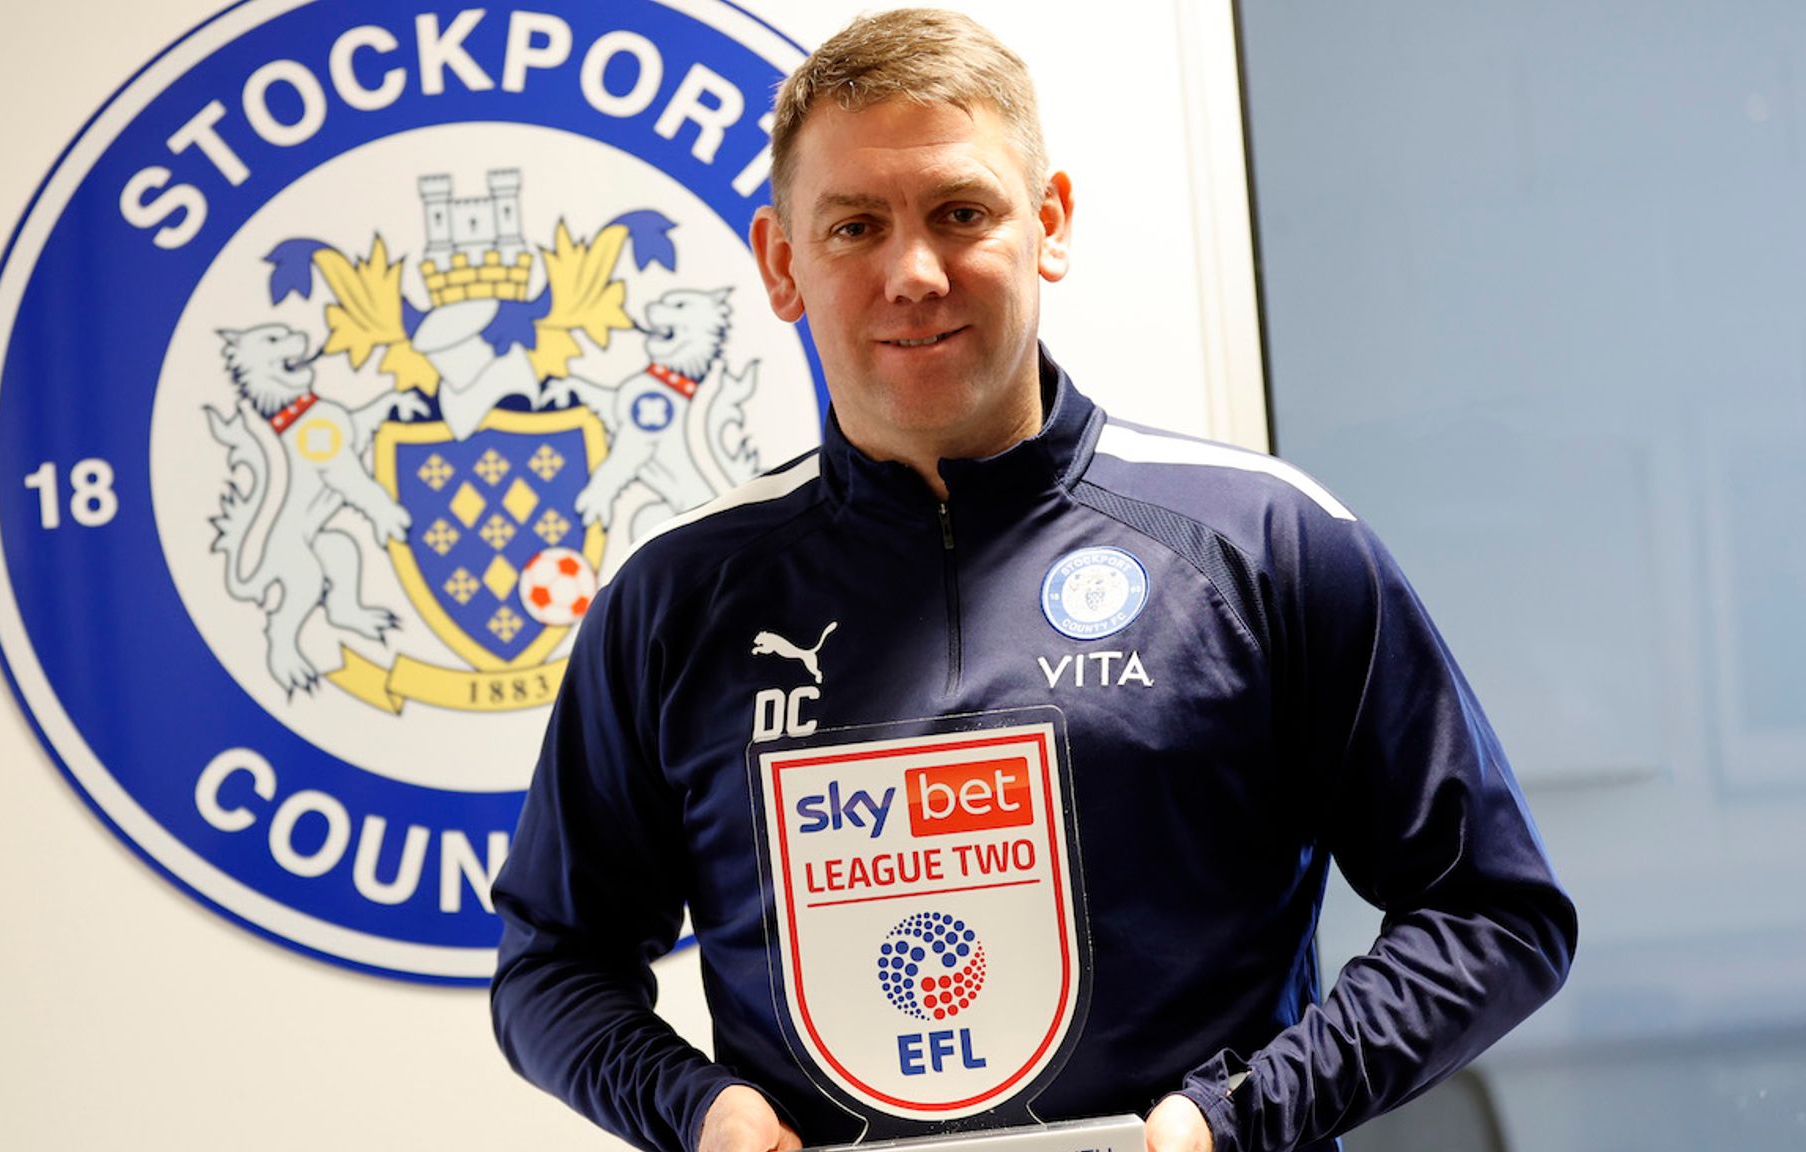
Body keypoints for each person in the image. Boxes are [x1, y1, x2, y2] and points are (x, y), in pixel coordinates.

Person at [489, 9, 1577, 1152]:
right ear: (780, 262)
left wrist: (1241, 1118)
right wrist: (702, 1113)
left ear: (1047, 224)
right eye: (854, 225)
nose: (911, 273)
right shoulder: (674, 601)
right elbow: (553, 965)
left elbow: (1491, 911)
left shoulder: (1266, 543)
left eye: (960, 213)